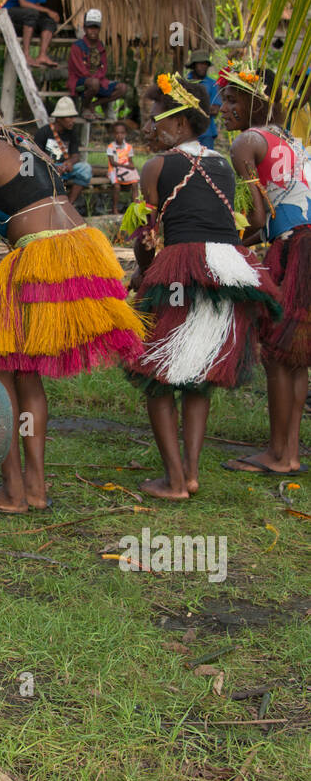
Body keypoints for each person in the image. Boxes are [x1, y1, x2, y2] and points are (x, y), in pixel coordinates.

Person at [0, 77, 144, 514]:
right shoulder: (23, 142)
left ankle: (13, 492)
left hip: (40, 254)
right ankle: (34, 488)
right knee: (25, 373)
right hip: (80, 246)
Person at [126, 74, 280, 498]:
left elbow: (146, 237)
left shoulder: (157, 167)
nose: (150, 129)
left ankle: (174, 481)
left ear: (178, 124)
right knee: (197, 374)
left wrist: (142, 274)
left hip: (183, 267)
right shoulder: (221, 165)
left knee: (156, 372)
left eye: (156, 121)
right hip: (227, 269)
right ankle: (190, 474)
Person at [219, 62, 311, 474]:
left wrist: (223, 243)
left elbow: (254, 217)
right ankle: (288, 452)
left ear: (257, 100)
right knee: (297, 355)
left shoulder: (246, 143)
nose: (224, 107)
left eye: (233, 98)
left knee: (277, 353)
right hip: (304, 242)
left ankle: (278, 454)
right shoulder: (296, 141)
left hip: (292, 250)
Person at [67, 9, 129, 119]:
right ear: (85, 28)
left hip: (97, 81)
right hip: (79, 81)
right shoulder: (77, 46)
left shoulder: (100, 46)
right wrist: (96, 79)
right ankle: (85, 107)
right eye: (90, 27)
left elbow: (103, 68)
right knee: (94, 83)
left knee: (122, 88)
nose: (93, 31)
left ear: (99, 29)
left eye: (95, 27)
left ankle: (92, 105)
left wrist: (98, 79)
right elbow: (80, 70)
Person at [33, 97, 93, 206]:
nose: (72, 121)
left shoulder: (72, 133)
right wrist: (52, 166)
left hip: (64, 168)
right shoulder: (43, 132)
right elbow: (36, 155)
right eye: (69, 117)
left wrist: (69, 163)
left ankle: (69, 204)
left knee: (85, 169)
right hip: (47, 168)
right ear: (59, 119)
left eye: (73, 117)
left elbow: (75, 155)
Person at [185, 50, 222, 149]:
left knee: (206, 162)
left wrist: (191, 108)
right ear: (193, 65)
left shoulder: (213, 84)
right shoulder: (184, 83)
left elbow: (215, 110)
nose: (203, 67)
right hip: (187, 131)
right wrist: (204, 108)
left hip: (206, 132)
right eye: (200, 64)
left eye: (206, 64)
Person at [106, 119, 140, 213]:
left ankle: (136, 207)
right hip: (114, 170)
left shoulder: (128, 147)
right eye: (117, 133)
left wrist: (131, 166)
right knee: (116, 187)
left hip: (126, 169)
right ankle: (115, 208)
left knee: (135, 183)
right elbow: (112, 162)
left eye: (122, 133)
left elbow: (130, 161)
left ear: (125, 134)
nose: (119, 135)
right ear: (113, 134)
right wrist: (126, 166)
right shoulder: (111, 147)